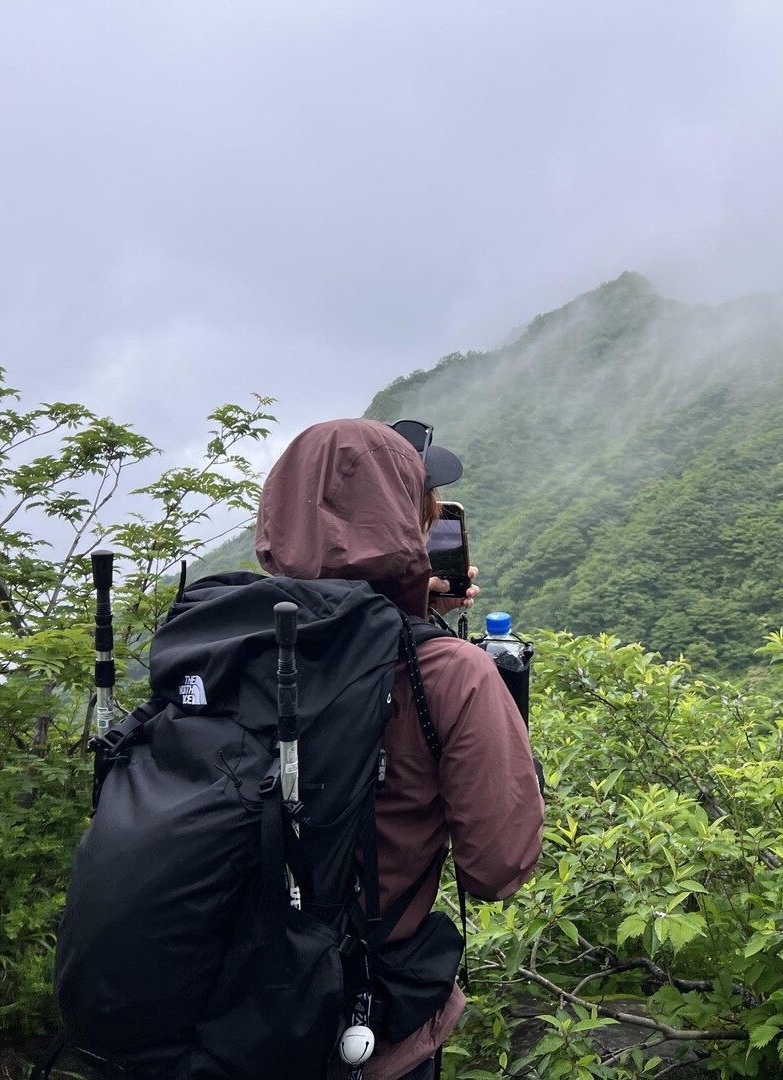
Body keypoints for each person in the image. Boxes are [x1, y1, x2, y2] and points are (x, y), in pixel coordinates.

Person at [254, 418, 545, 1080]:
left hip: (220, 1011)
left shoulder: (224, 647)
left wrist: (414, 606)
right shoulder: (446, 672)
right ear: (408, 522)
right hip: (365, 1032)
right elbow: (496, 869)